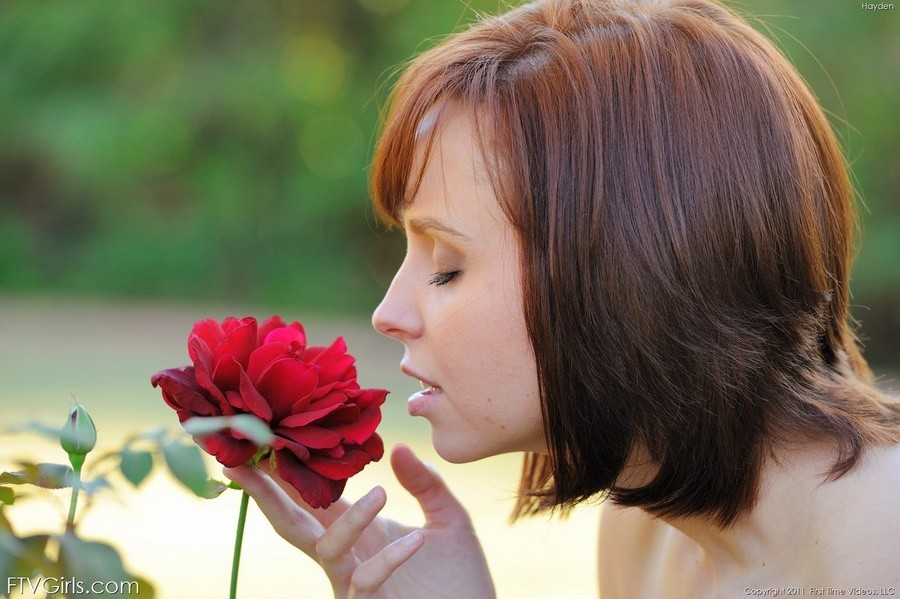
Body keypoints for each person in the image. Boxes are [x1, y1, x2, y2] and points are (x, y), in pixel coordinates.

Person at [225, 0, 900, 596]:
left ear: (626, 266)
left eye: (448, 266)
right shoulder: (644, 528)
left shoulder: (882, 540)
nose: (388, 314)